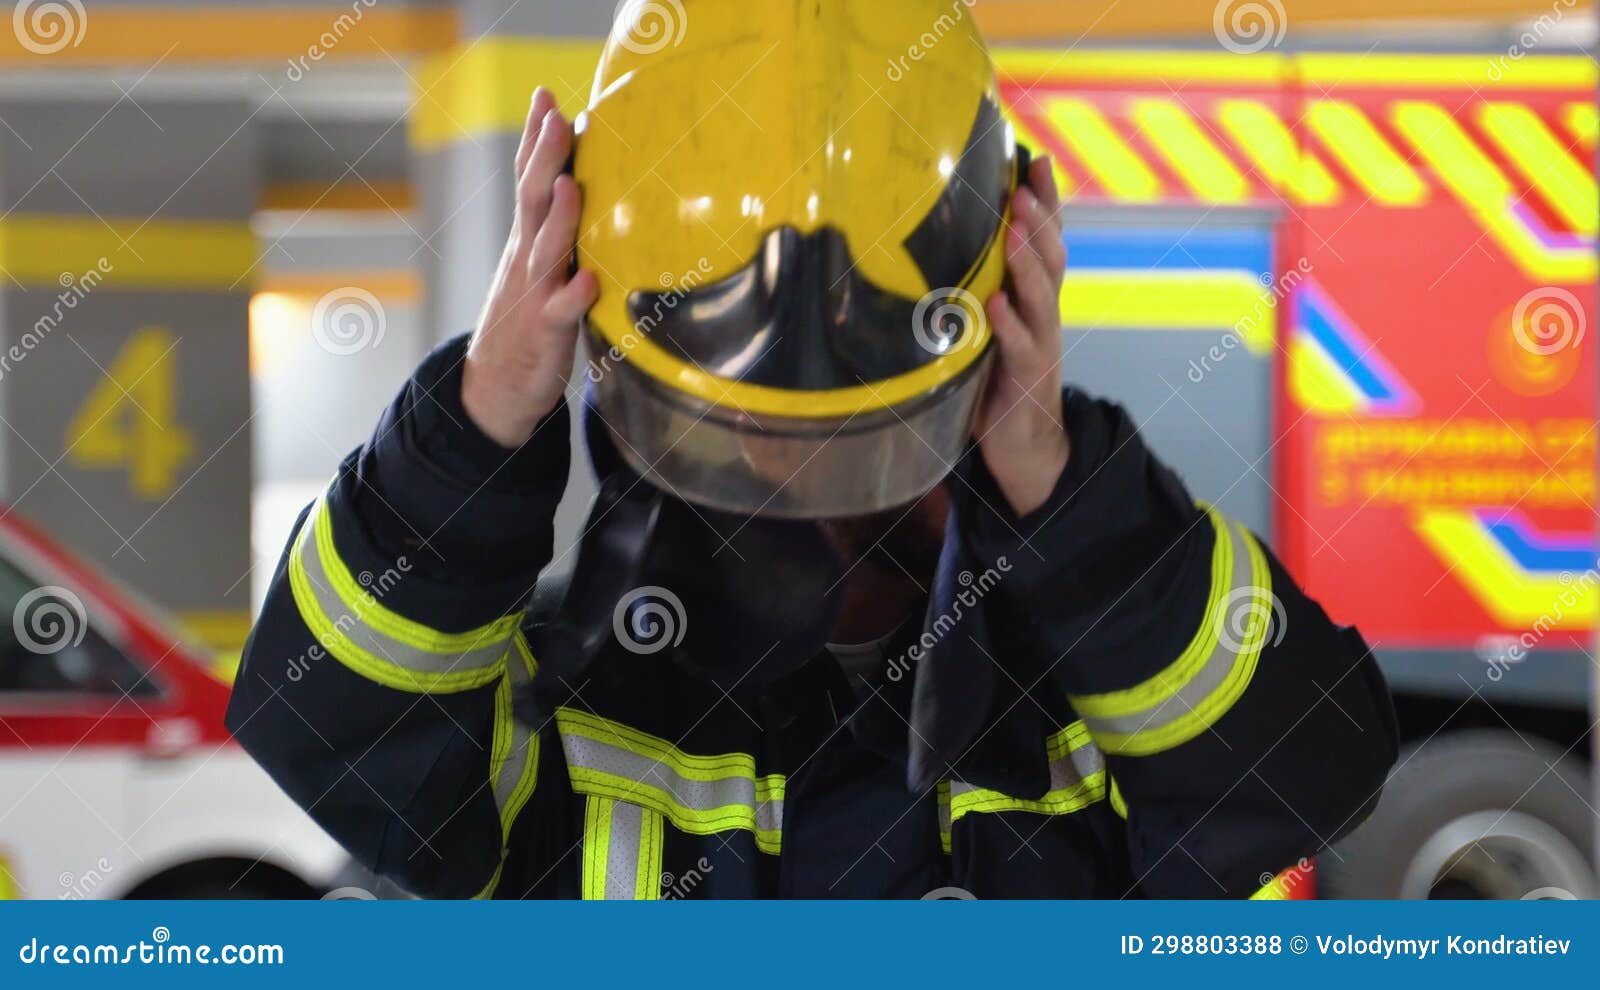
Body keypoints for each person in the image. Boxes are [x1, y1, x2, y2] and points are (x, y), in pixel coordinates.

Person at [228, 5, 1398, 899]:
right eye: (732, 446)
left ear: (994, 365)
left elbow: (1303, 771)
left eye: (869, 441)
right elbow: (327, 721)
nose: (805, 504)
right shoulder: (555, 710)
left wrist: (1069, 491)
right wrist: (473, 427)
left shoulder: (1086, 702)